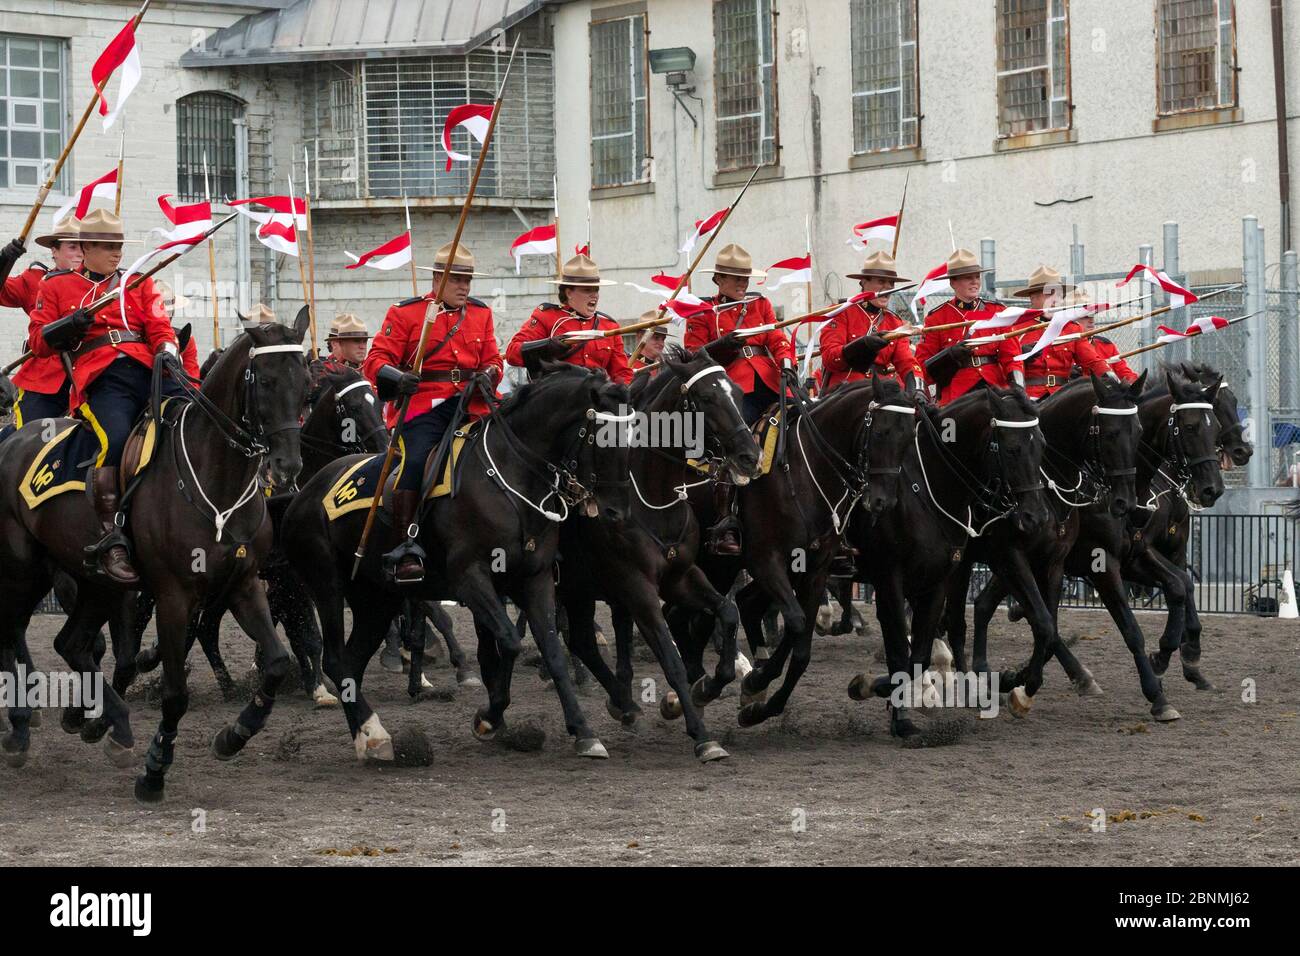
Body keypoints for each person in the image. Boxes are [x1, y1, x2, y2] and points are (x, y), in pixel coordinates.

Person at [29, 210, 180, 586]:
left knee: (200, 418)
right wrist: (66, 326)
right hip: (102, 379)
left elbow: (160, 326)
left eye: (119, 247)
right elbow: (37, 342)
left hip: (151, 370)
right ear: (86, 248)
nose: (116, 254)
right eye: (108, 247)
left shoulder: (138, 282)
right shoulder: (57, 286)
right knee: (113, 439)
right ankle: (112, 536)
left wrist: (167, 348)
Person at [363, 241, 502, 583]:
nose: (464, 287)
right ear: (438, 279)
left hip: (473, 403)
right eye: (456, 279)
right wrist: (400, 378)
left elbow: (495, 360)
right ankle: (406, 546)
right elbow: (375, 361)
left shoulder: (481, 313)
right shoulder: (406, 313)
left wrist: (488, 374)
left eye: (467, 280)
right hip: (426, 405)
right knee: (415, 460)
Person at [683, 243, 796, 555]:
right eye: (735, 277)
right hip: (732, 387)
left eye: (745, 277)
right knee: (735, 444)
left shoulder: (761, 304)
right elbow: (693, 355)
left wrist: (787, 363)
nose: (742, 283)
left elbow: (777, 337)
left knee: (809, 427)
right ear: (718, 279)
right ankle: (726, 518)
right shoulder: (702, 313)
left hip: (772, 380)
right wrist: (722, 345)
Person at [0, 216, 82, 432]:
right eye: (72, 247)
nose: (80, 253)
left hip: (89, 374)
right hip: (46, 377)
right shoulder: (35, 280)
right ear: (54, 251)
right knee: (27, 437)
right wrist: (5, 259)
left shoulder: (100, 283)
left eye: (84, 247)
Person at [915, 248, 1024, 404]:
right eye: (968, 278)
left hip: (993, 386)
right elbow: (923, 364)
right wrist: (949, 355)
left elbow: (1011, 356)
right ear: (953, 282)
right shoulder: (938, 317)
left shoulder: (995, 312)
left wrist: (1018, 388)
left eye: (977, 277)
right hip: (957, 393)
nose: (975, 282)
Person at [505, 253, 631, 385]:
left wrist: (622, 405)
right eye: (587, 290)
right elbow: (512, 353)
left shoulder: (609, 326)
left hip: (596, 399)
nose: (594, 295)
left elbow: (622, 374)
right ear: (569, 293)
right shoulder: (547, 317)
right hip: (557, 397)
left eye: (596, 290)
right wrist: (546, 348)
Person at [818, 251, 924, 397]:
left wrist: (917, 389)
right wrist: (860, 345)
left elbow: (906, 361)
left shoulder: (894, 321)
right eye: (881, 282)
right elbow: (830, 359)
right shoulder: (841, 312)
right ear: (864, 283)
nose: (888, 287)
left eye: (891, 283)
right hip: (846, 392)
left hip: (880, 393)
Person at [1010, 265, 1113, 399]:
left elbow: (1093, 362)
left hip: (1061, 397)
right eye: (1049, 294)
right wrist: (1020, 356)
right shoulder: (1015, 328)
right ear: (1033, 298)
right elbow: (1003, 366)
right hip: (1028, 396)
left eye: (1059, 295)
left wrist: (1113, 380)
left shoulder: (1072, 329)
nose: (1055, 300)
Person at [310, 313, 371, 403]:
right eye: (356, 341)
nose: (362, 347)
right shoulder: (327, 371)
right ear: (338, 343)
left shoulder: (371, 368)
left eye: (365, 341)